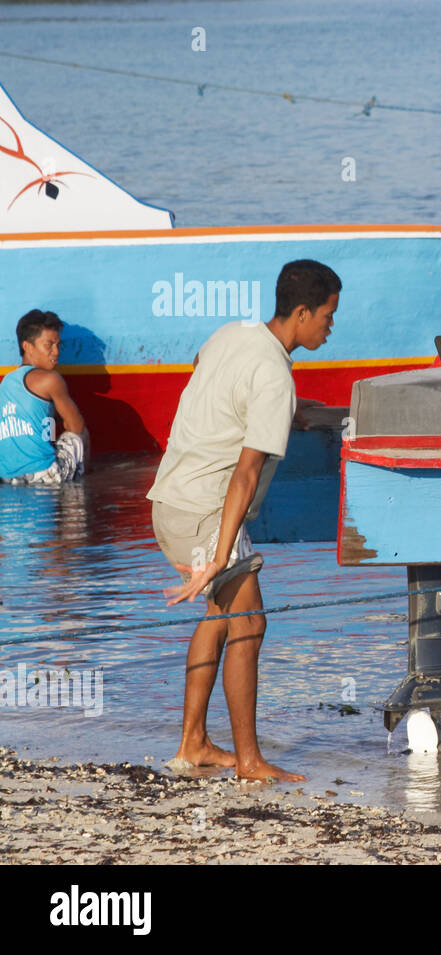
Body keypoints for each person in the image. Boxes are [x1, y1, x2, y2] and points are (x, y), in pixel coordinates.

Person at [147, 259, 340, 783]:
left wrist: (278, 411)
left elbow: (204, 370)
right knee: (249, 624)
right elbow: (245, 477)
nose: (330, 326)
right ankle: (250, 763)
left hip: (169, 499)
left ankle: (193, 743)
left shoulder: (232, 333)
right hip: (208, 511)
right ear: (301, 313)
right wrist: (217, 556)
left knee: (219, 617)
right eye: (326, 315)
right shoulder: (274, 373)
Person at [0, 310, 88, 484]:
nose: (56, 352)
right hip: (46, 474)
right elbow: (76, 426)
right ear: (27, 346)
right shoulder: (50, 379)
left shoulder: (5, 383)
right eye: (49, 345)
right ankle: (82, 489)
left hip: (7, 478)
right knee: (80, 435)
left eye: (58, 345)